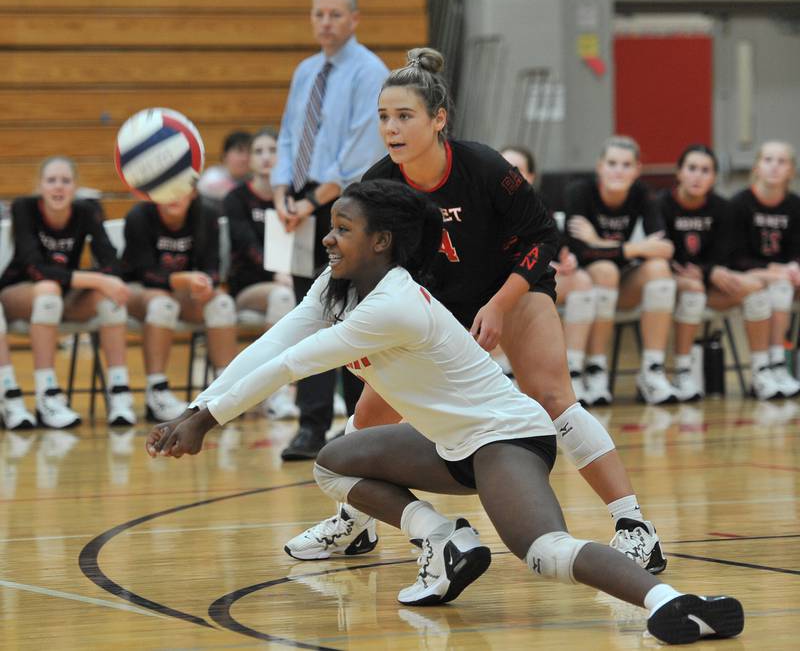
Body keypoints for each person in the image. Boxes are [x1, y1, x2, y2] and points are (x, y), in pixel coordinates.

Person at [146, 180, 743, 646]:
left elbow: (290, 365)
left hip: (508, 437)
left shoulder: (394, 305)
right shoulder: (338, 285)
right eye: (331, 228)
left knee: (543, 551)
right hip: (449, 444)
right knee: (333, 463)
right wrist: (198, 407)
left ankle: (671, 602)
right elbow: (273, 343)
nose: (329, 240)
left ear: (381, 242)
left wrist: (206, 422)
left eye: (343, 229)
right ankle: (444, 540)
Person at [287, 49, 666, 574]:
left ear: (438, 119)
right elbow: (360, 266)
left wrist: (500, 304)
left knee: (553, 398)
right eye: (383, 117)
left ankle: (635, 527)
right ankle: (354, 523)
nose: (391, 128)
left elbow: (543, 237)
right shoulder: (377, 188)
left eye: (404, 116)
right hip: (437, 302)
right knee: (372, 412)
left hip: (512, 283)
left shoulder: (485, 167)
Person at [270, 0, 389, 460]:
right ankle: (310, 424)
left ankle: (358, 423)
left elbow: (359, 151)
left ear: (354, 19)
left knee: (348, 311)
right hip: (297, 203)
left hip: (344, 204)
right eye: (319, 14)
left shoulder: (369, 71)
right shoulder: (306, 71)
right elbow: (288, 135)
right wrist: (282, 192)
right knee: (309, 313)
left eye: (335, 14)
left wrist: (313, 203)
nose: (326, 22)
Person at [0, 156, 135, 428]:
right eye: (51, 180)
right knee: (49, 290)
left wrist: (107, 281)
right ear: (40, 186)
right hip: (19, 293)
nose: (58, 186)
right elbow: (35, 268)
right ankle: (44, 395)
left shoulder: (86, 211)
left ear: (75, 187)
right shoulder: (24, 208)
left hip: (62, 297)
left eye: (65, 180)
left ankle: (120, 394)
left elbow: (110, 261)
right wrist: (97, 279)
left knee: (110, 297)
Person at [657, 145, 780, 401]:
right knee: (692, 290)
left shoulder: (723, 208)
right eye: (692, 168)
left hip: (709, 284)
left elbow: (725, 257)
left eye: (705, 170)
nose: (697, 176)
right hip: (670, 285)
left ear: (714, 177)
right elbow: (664, 255)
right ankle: (682, 372)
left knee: (756, 289)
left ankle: (761, 372)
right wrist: (707, 271)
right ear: (679, 173)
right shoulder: (660, 204)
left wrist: (707, 271)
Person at [565, 136, 677, 406]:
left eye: (626, 165)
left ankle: (652, 371)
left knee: (659, 270)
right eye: (612, 163)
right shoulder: (579, 192)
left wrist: (599, 242)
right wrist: (636, 248)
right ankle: (593, 370)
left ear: (637, 170)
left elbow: (665, 249)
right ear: (599, 167)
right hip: (584, 286)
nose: (618, 170)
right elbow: (580, 251)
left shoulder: (643, 194)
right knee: (605, 270)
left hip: (622, 287)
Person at [122, 190, 238, 421]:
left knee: (222, 303)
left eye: (180, 189)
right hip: (139, 290)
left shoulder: (207, 214)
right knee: (162, 305)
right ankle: (156, 392)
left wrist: (206, 284)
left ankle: (224, 391)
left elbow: (213, 268)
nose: (173, 196)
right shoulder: (139, 215)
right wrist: (183, 280)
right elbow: (144, 271)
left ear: (192, 192)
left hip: (184, 291)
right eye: (167, 189)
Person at [501, 145, 597, 403]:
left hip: (532, 284)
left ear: (531, 177)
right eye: (503, 169)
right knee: (491, 285)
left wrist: (567, 259)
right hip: (499, 288)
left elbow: (557, 244)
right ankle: (504, 375)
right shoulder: (481, 205)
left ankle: (574, 371)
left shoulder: (538, 204)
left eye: (517, 170)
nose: (509, 176)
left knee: (581, 281)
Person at [223, 126, 298, 419]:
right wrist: (278, 273)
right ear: (250, 160)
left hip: (290, 282)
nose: (266, 157)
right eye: (258, 151)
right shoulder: (236, 198)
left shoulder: (293, 197)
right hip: (249, 287)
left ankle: (316, 393)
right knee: (283, 297)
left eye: (273, 150)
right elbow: (246, 245)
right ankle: (274, 393)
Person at [728, 140, 800, 398]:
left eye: (781, 161)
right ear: (756, 167)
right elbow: (735, 258)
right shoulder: (739, 203)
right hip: (746, 273)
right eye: (768, 160)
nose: (774, 166)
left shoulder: (795, 205)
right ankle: (762, 368)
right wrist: (773, 269)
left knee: (782, 285)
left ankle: (777, 364)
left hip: (782, 276)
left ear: (791, 171)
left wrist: (795, 267)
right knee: (772, 286)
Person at [196, 130, 253, 206]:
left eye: (249, 152)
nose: (245, 158)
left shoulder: (254, 181)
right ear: (225, 156)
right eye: (239, 151)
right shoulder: (211, 178)